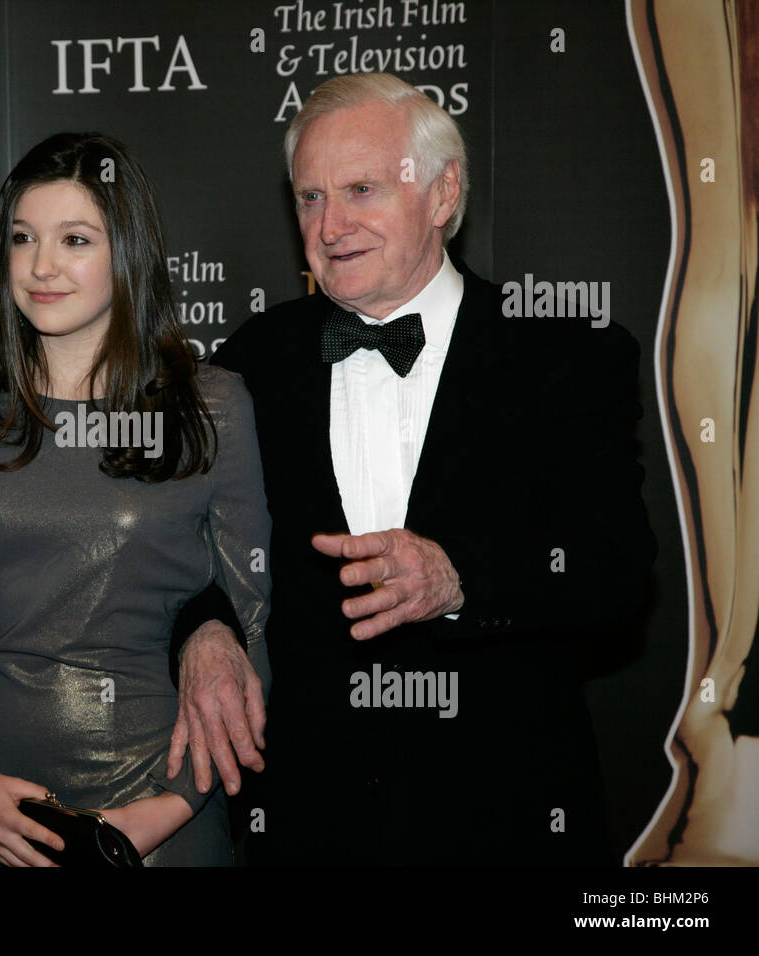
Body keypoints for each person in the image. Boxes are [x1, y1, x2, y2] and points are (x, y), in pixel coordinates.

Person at [170, 72, 655, 864]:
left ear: (442, 193)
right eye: (310, 198)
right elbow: (182, 547)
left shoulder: (566, 353)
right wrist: (206, 633)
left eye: (360, 188)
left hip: (504, 817)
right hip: (305, 819)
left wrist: (460, 578)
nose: (330, 226)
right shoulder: (252, 362)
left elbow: (617, 573)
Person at [0, 132, 271, 866]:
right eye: (23, 238)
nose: (41, 266)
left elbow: (254, 627)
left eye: (74, 239)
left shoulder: (214, 407)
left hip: (162, 822)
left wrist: (154, 815)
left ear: (128, 253)